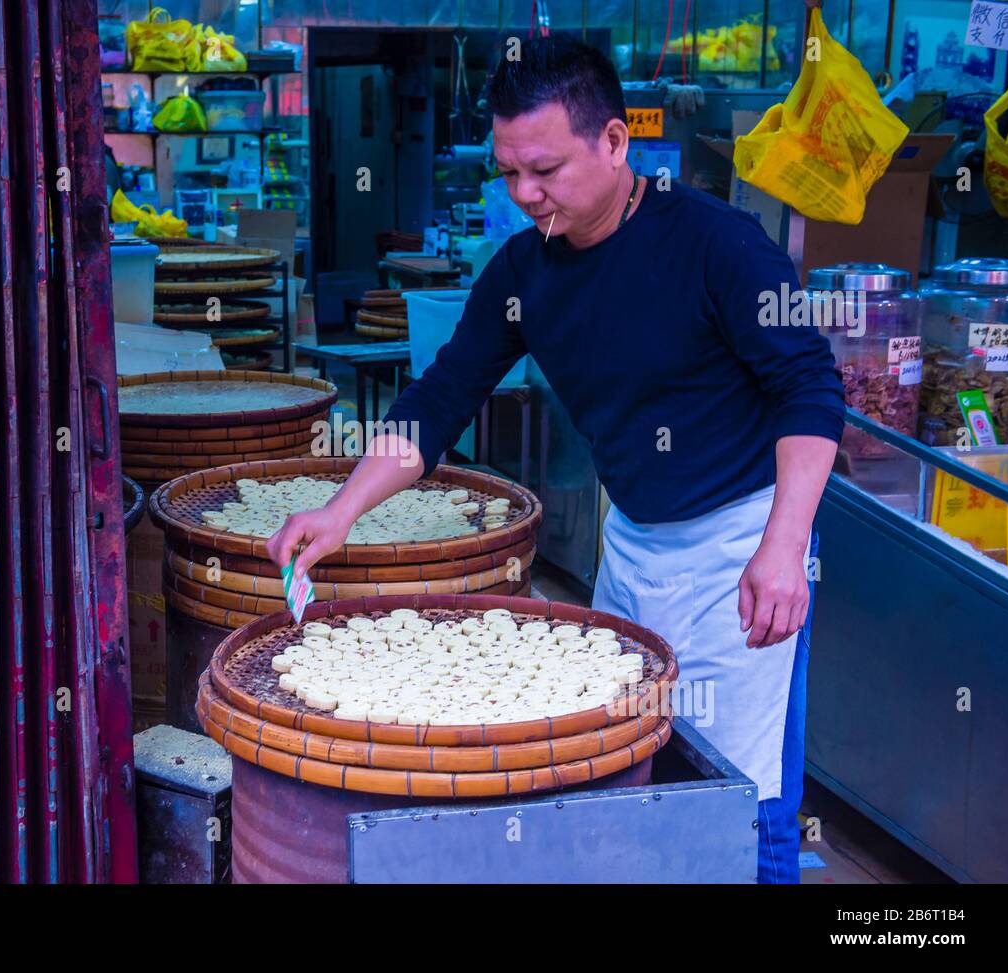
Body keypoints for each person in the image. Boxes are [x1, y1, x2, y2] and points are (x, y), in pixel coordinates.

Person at [269, 34, 843, 884]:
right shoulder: (522, 272)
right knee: (623, 773)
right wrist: (340, 510)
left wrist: (785, 543)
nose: (525, 194)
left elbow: (810, 389)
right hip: (638, 541)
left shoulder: (718, 246)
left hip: (743, 542)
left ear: (615, 142)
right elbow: (440, 399)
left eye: (545, 170)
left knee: (741, 800)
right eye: (508, 173)